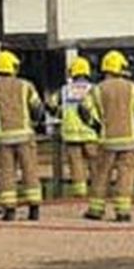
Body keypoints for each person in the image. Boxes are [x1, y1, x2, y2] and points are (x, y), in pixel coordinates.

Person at [80, 50, 134, 222]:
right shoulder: (133, 88)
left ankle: (96, 210)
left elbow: (83, 109)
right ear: (121, 67)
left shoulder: (97, 89)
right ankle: (123, 212)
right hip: (129, 140)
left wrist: (95, 125)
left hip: (107, 140)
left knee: (101, 174)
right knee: (125, 175)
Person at [0, 50, 45, 221]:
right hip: (25, 135)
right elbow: (37, 109)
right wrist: (35, 122)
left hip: (4, 137)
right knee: (30, 171)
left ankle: (9, 210)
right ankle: (34, 209)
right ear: (14, 67)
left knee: (7, 173)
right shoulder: (26, 86)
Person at [47, 57, 99, 198]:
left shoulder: (64, 90)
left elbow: (50, 105)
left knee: (76, 166)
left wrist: (61, 114)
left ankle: (80, 194)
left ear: (72, 72)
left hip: (71, 135)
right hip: (91, 134)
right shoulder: (94, 89)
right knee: (95, 164)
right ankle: (98, 190)